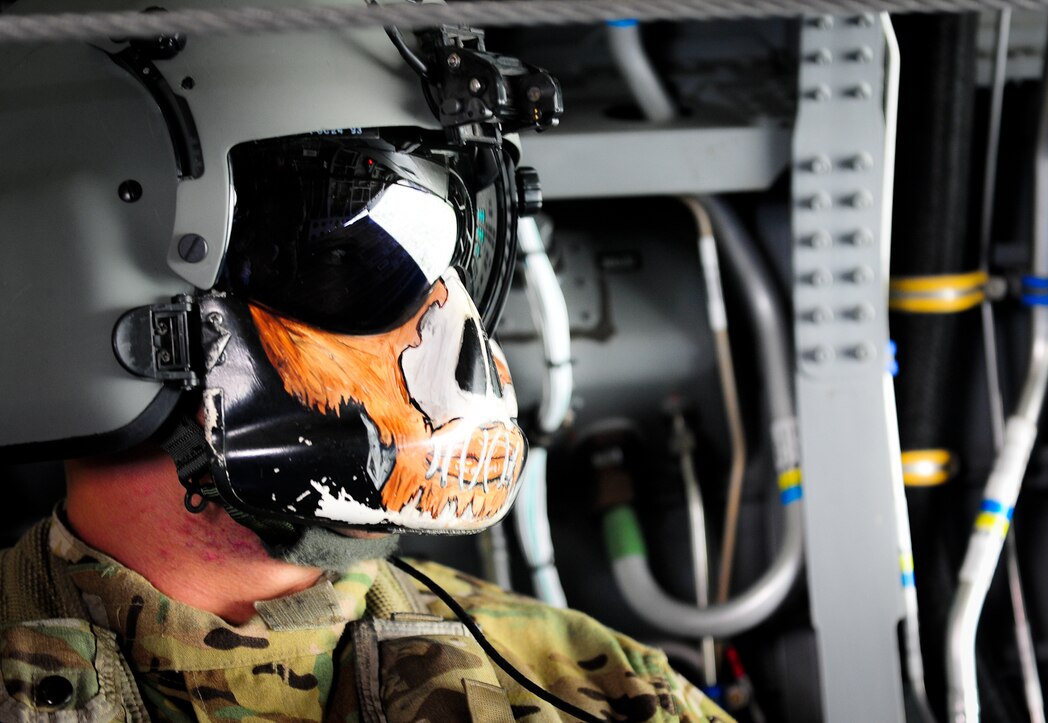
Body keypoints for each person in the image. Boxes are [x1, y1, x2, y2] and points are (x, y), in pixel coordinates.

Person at [0, 1, 731, 720]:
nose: (463, 342)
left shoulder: (611, 693)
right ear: (87, 281)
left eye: (458, 246)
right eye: (352, 253)